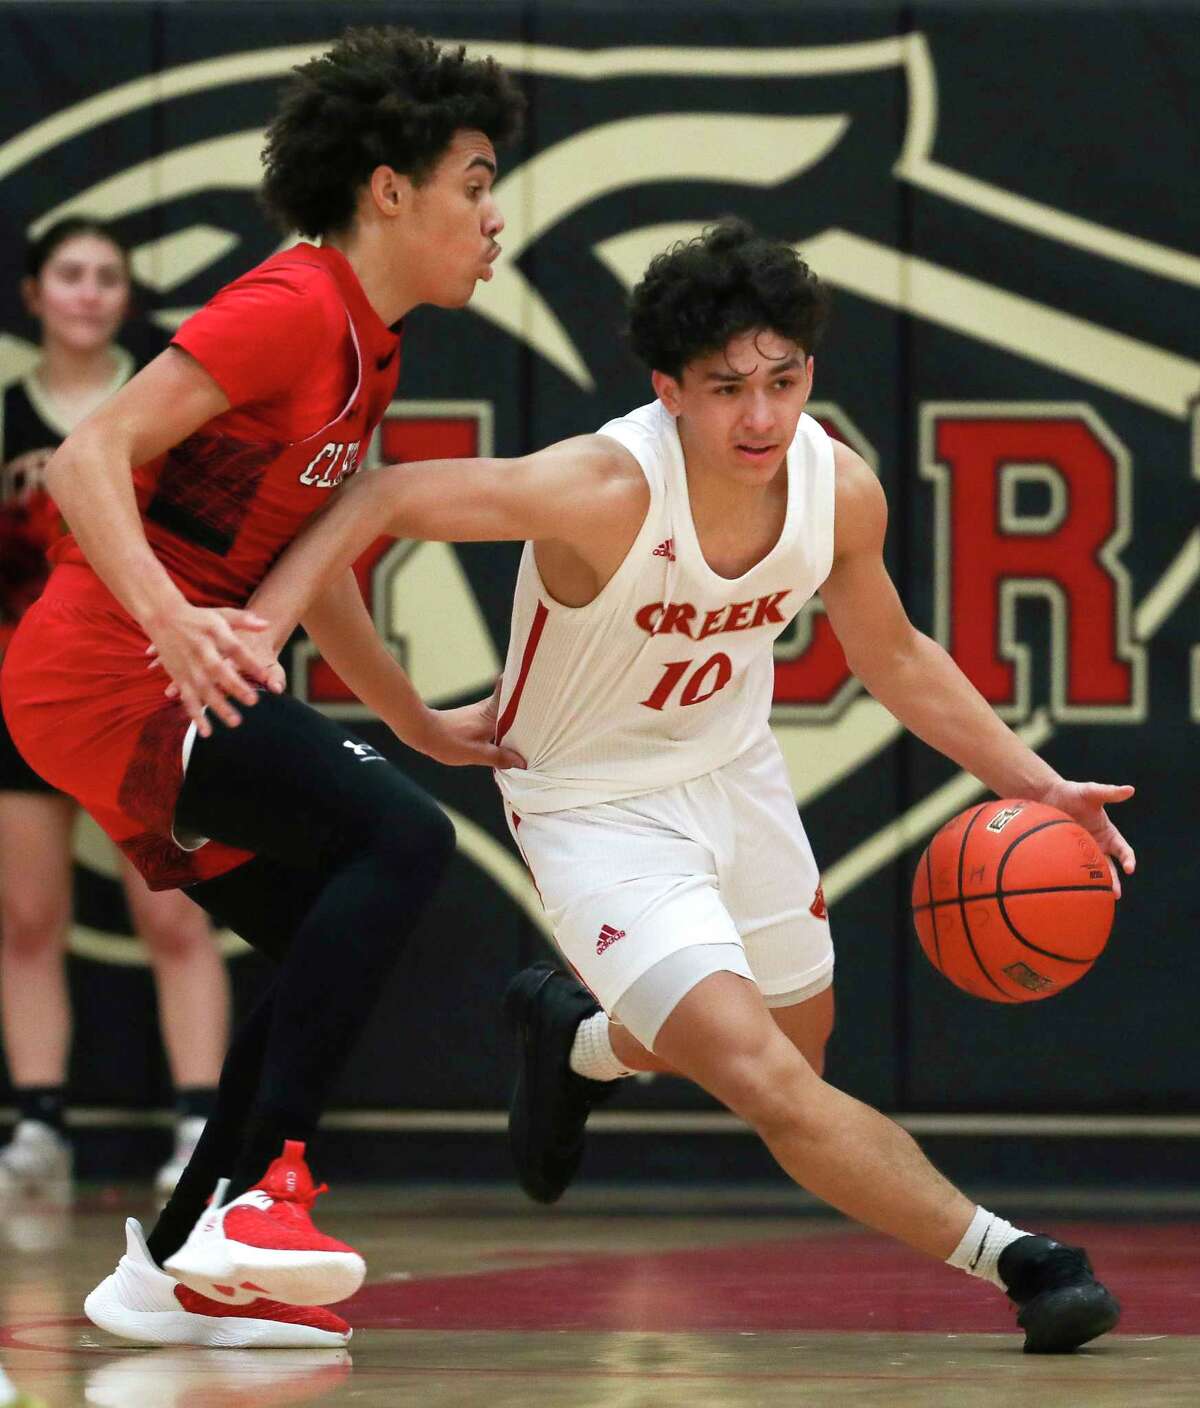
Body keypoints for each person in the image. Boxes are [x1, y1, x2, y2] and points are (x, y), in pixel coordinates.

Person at [241, 218, 1135, 1354]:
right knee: (764, 1078)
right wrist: (392, 707)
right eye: (725, 389)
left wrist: (1042, 783)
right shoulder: (600, 488)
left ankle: (577, 1040)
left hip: (734, 774)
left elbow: (896, 655)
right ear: (668, 388)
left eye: (784, 380)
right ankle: (1022, 1260)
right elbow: (364, 500)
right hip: (593, 806)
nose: (761, 416)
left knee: (796, 1050)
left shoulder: (834, 489)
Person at [0, 26, 525, 1349]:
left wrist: (411, 718)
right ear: (389, 190)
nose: (492, 214)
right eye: (472, 179)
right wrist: (174, 620)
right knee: (400, 839)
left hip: (138, 670)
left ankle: (172, 1263)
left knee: (326, 929)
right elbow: (87, 460)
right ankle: (259, 1201)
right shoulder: (292, 303)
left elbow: (315, 555)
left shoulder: (371, 346)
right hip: (100, 668)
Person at [0, 218, 229, 1205]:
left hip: (143, 690)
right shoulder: (9, 415)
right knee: (27, 916)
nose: (88, 292)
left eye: (106, 276)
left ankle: (199, 1123)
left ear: (125, 298)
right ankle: (39, 1123)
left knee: (173, 912)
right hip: (23, 690)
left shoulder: (162, 404)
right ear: (35, 294)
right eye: (70, 274)